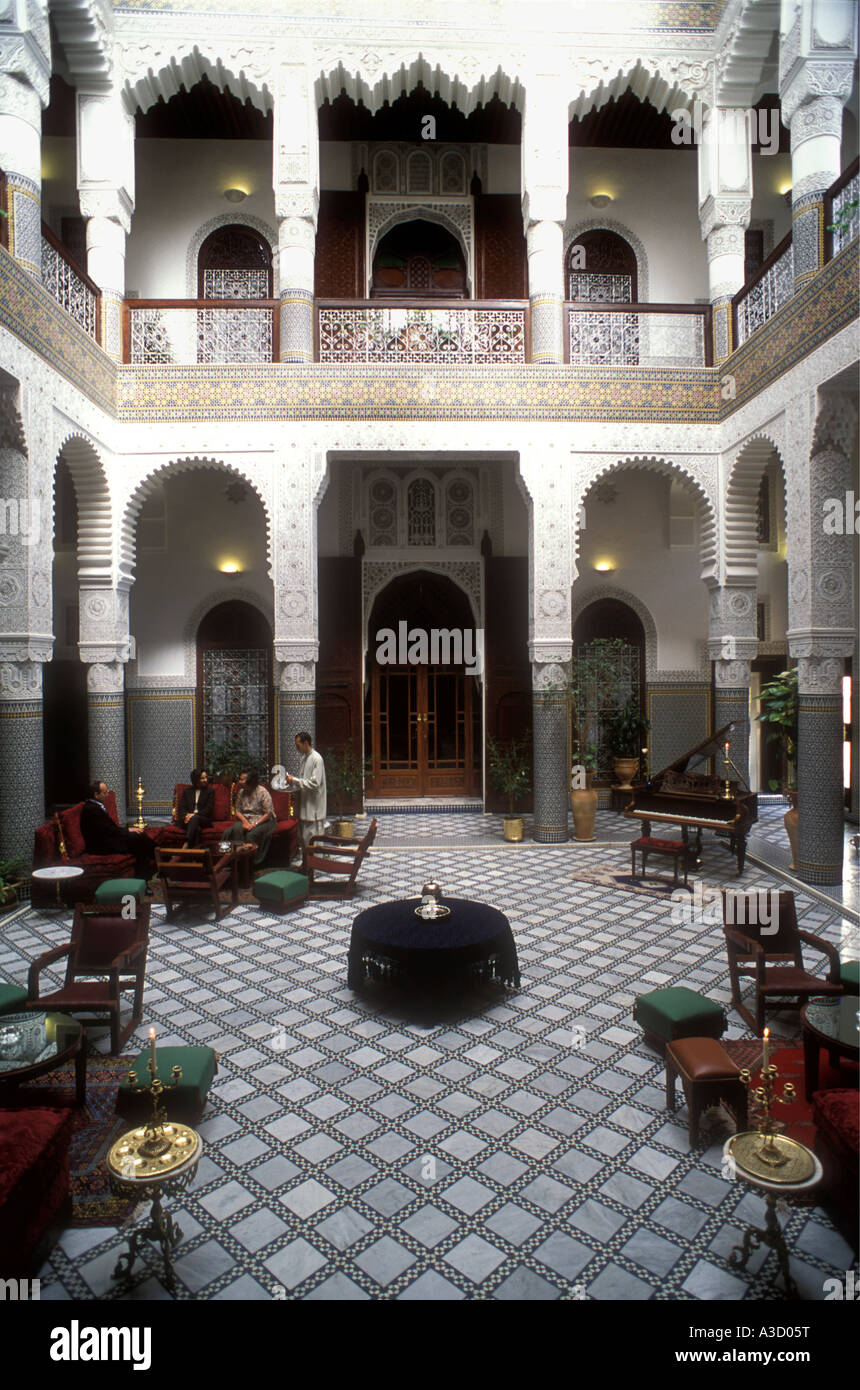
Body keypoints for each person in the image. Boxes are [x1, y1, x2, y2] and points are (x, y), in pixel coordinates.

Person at [80, 779, 156, 879]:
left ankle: (157, 862)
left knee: (139, 836)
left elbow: (110, 829)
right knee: (138, 839)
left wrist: (128, 830)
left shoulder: (96, 806)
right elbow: (108, 830)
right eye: (104, 792)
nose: (107, 795)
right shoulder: (91, 809)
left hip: (108, 839)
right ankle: (158, 862)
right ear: (96, 794)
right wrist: (128, 830)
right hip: (100, 846)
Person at [286, 732, 327, 855]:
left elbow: (314, 783)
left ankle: (316, 865)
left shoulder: (317, 758)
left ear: (306, 743)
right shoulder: (304, 758)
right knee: (303, 838)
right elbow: (303, 780)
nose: (297, 749)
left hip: (314, 807)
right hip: (304, 805)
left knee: (314, 839)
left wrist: (295, 780)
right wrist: (291, 781)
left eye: (298, 745)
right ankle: (307, 865)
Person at [227, 770, 275, 865]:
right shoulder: (241, 792)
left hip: (263, 820)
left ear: (250, 781)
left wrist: (254, 824)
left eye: (242, 779)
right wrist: (245, 822)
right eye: (239, 779)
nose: (240, 782)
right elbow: (237, 811)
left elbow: (269, 813)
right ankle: (236, 860)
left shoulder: (262, 792)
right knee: (234, 830)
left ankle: (252, 863)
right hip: (246, 819)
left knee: (251, 835)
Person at [177, 768, 214, 848]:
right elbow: (182, 809)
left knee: (195, 818)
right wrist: (187, 816)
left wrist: (193, 815)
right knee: (197, 829)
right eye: (202, 778)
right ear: (196, 780)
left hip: (203, 819)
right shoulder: (187, 792)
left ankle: (186, 843)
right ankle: (195, 856)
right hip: (189, 820)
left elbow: (208, 809)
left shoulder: (210, 791)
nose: (205, 780)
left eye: (206, 777)